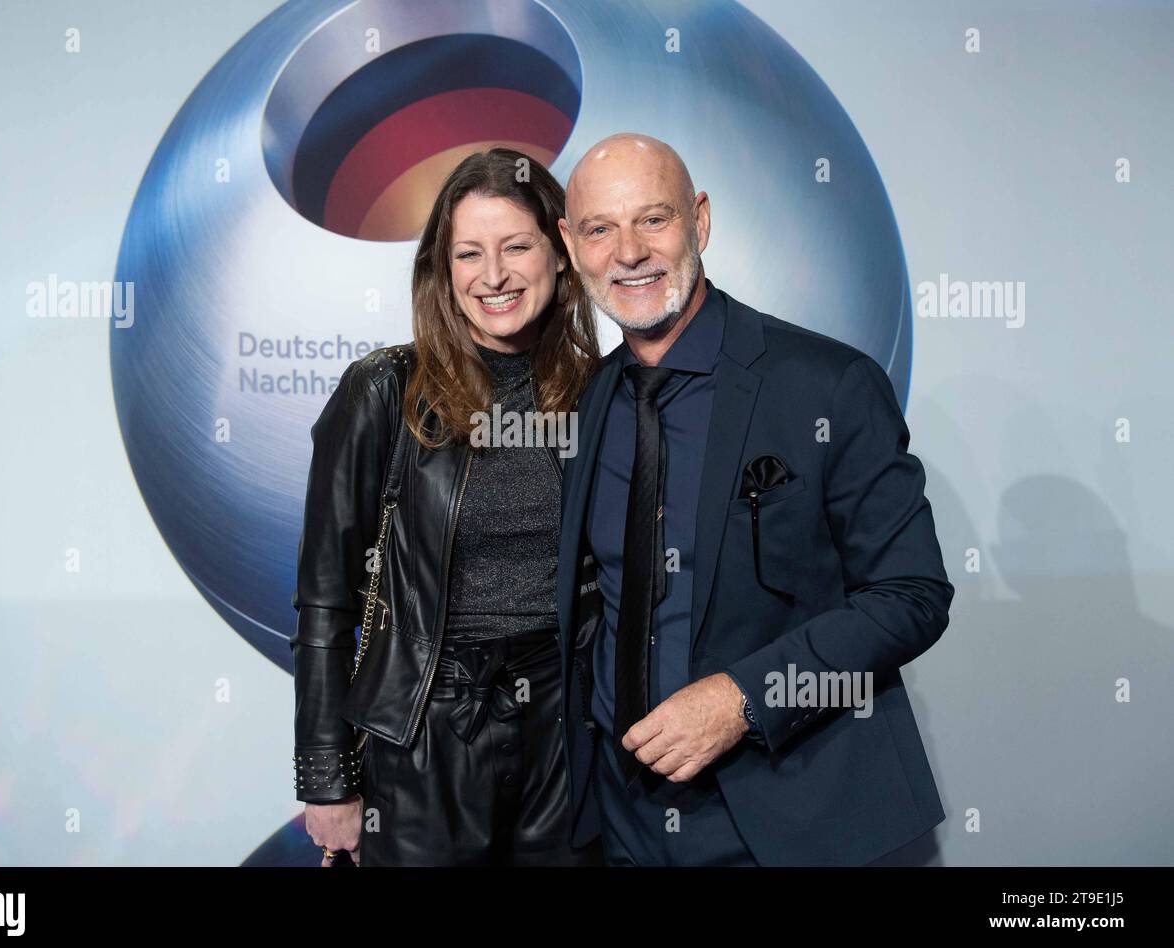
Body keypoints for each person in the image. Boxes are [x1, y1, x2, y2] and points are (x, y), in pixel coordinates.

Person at [552, 132, 955, 865]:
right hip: (621, 825)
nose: (629, 251)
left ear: (699, 221)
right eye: (600, 229)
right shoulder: (585, 405)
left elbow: (911, 594)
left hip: (795, 818)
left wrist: (741, 700)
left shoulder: (827, 384)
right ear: (571, 245)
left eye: (654, 219)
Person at [290, 146, 604, 866]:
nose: (493, 276)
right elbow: (325, 598)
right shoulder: (381, 393)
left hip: (566, 734)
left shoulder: (601, 394)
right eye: (468, 253)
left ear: (559, 252)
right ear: (442, 270)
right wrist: (327, 778)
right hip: (425, 735)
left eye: (516, 246)